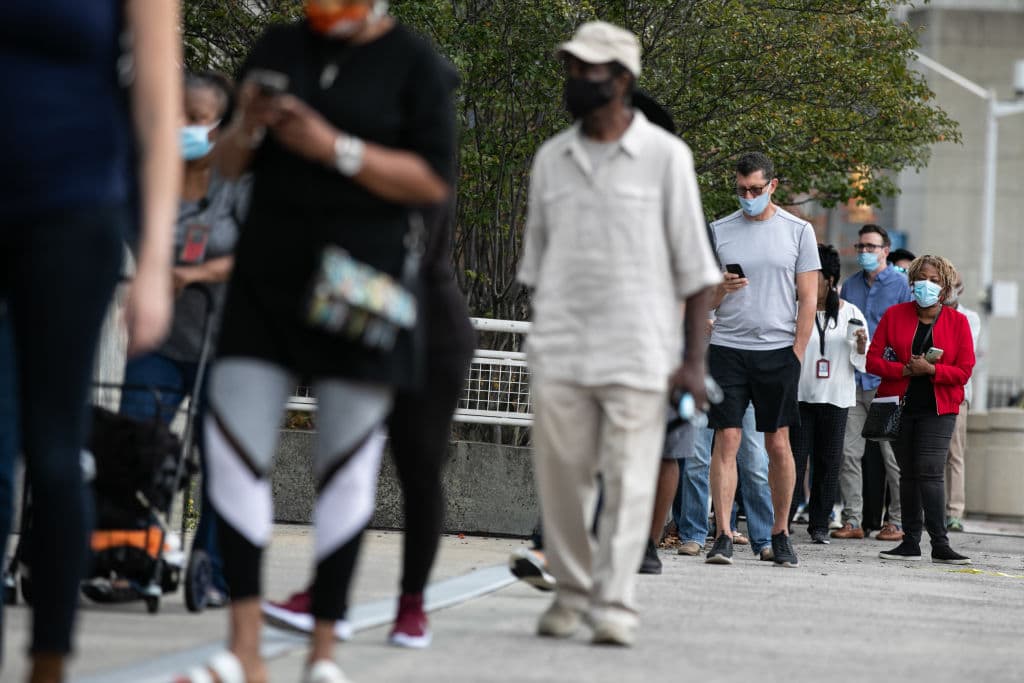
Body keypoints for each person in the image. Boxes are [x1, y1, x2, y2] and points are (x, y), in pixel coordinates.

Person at [178, 1, 457, 681]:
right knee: (234, 449)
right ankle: (243, 650)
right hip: (264, 278)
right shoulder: (277, 46)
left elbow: (430, 180)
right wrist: (246, 121)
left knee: (346, 463)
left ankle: (323, 650)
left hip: (360, 281)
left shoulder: (414, 62)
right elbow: (229, 165)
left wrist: (335, 146)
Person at [517, 21, 721, 646]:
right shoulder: (553, 158)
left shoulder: (666, 158)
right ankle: (572, 593)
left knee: (630, 480)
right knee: (563, 482)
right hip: (561, 350)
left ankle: (614, 603)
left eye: (590, 71)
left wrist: (692, 363)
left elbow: (697, 274)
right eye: (571, 69)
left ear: (623, 80)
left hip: (640, 352)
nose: (576, 81)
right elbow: (535, 267)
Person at [0, 2, 180, 680]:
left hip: (71, 214)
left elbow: (160, 110)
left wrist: (156, 263)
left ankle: (49, 660)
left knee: (52, 450)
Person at [119, 71, 248, 609]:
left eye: (195, 119)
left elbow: (262, 251)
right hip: (162, 341)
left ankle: (212, 571)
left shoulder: (238, 184)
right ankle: (128, 554)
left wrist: (194, 274)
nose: (184, 128)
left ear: (218, 128)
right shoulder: (151, 180)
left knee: (223, 463)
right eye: (178, 115)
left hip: (225, 344)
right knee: (130, 445)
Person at [704, 151, 820, 568]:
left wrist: (797, 352)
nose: (748, 196)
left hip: (777, 350)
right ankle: (721, 533)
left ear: (772, 185)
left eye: (755, 189)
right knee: (727, 439)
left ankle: (780, 532)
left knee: (778, 443)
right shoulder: (719, 230)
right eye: (741, 189)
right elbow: (705, 298)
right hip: (729, 348)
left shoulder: (798, 231)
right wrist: (721, 288)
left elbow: (809, 298)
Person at [866, 255, 975, 564]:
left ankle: (940, 543)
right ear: (912, 281)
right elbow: (872, 360)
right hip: (899, 407)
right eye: (921, 278)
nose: (926, 284)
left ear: (945, 288)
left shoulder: (958, 322)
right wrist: (903, 371)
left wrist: (931, 370)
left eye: (934, 280)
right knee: (908, 474)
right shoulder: (894, 315)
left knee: (929, 471)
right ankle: (910, 542)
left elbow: (964, 371)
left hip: (939, 409)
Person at [835, 225, 912, 541]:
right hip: (852, 379)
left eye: (870, 247)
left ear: (885, 250)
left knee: (891, 457)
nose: (864, 252)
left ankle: (897, 521)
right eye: (860, 246)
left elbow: (909, 331)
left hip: (885, 383)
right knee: (848, 453)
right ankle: (852, 520)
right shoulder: (850, 286)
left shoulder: (901, 285)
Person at [789, 244, 868, 544]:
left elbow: (859, 359)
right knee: (794, 461)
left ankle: (819, 524)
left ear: (831, 279)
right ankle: (784, 518)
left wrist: (861, 345)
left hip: (835, 397)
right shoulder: (795, 308)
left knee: (829, 461)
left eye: (814, 275)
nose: (806, 280)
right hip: (800, 395)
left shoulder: (850, 312)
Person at [676, 404, 776, 561]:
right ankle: (693, 534)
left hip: (749, 385)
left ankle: (765, 539)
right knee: (695, 460)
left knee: (756, 463)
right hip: (706, 384)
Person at [942, 272, 981, 532]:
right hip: (930, 392)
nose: (946, 292)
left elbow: (962, 354)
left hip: (957, 394)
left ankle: (954, 512)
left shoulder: (970, 318)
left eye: (951, 287)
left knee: (954, 455)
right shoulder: (930, 315)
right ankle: (929, 511)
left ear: (960, 289)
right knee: (930, 456)